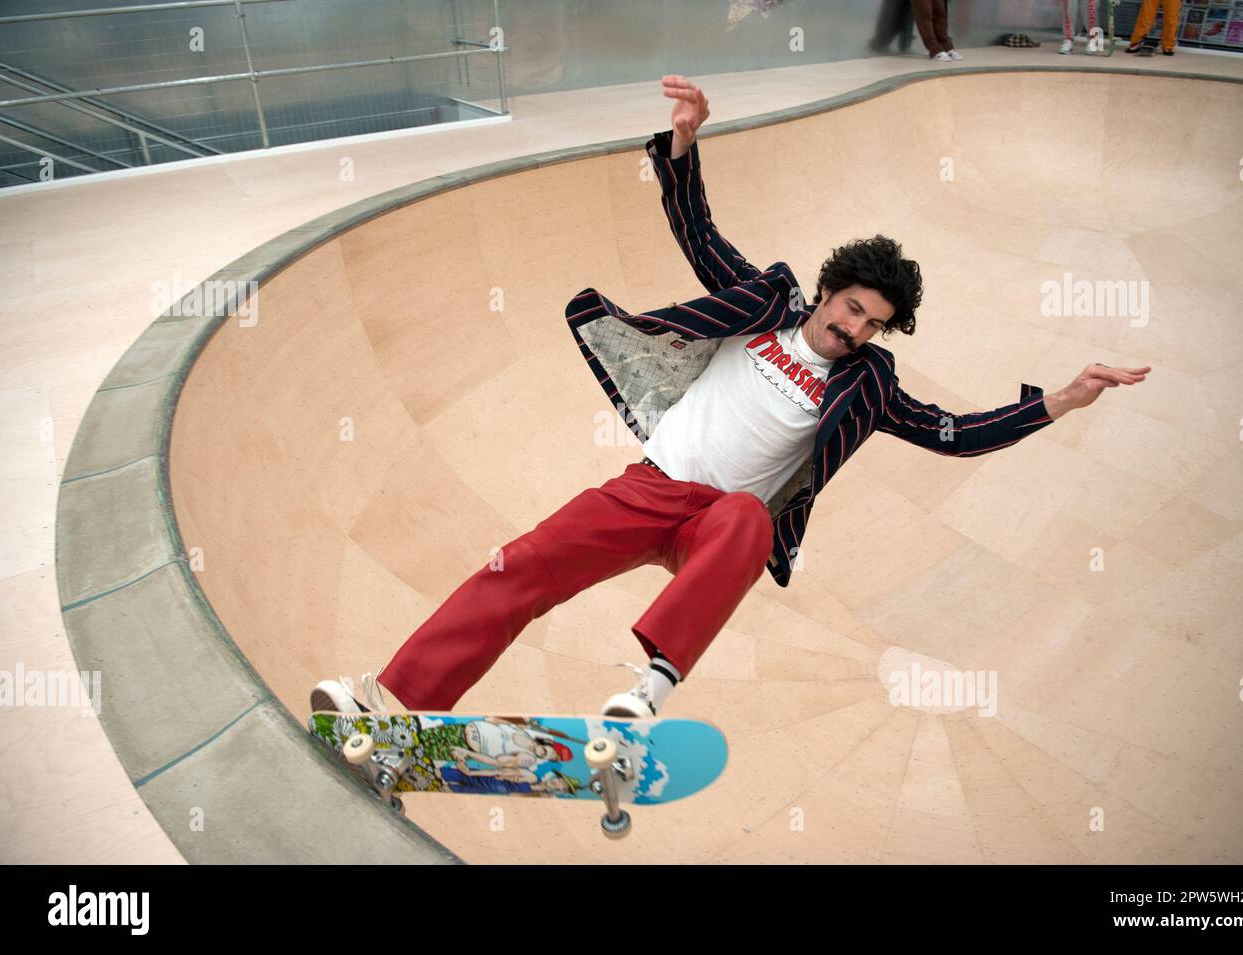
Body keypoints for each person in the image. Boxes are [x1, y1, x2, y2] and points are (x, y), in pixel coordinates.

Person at [311, 75, 1151, 720]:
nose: (856, 330)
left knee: (750, 519)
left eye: (875, 325)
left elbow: (956, 432)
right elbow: (698, 232)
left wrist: (1066, 398)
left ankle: (648, 691)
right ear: (827, 292)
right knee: (520, 566)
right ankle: (393, 701)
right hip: (648, 487)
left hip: (723, 525)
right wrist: (683, 142)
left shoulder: (868, 386)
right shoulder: (764, 302)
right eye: (853, 308)